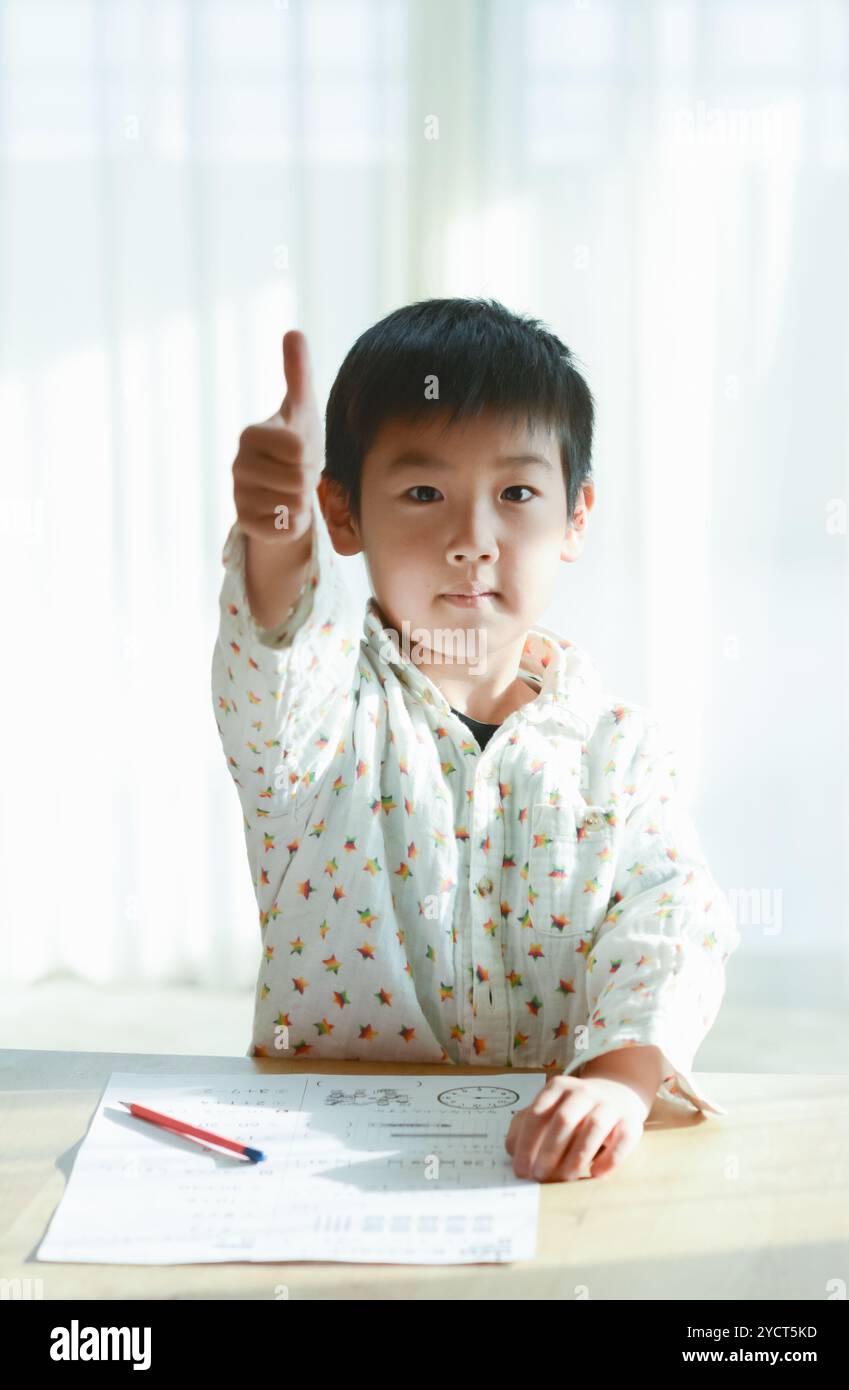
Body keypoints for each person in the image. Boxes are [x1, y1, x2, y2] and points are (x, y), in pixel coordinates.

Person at [211, 298, 740, 1182]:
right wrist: (276, 534)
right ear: (341, 514)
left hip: (544, 1162)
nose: (471, 540)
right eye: (423, 493)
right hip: (316, 1173)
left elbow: (670, 921)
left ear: (575, 517)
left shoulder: (621, 748)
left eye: (517, 494)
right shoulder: (319, 717)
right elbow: (273, 650)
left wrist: (618, 1079)